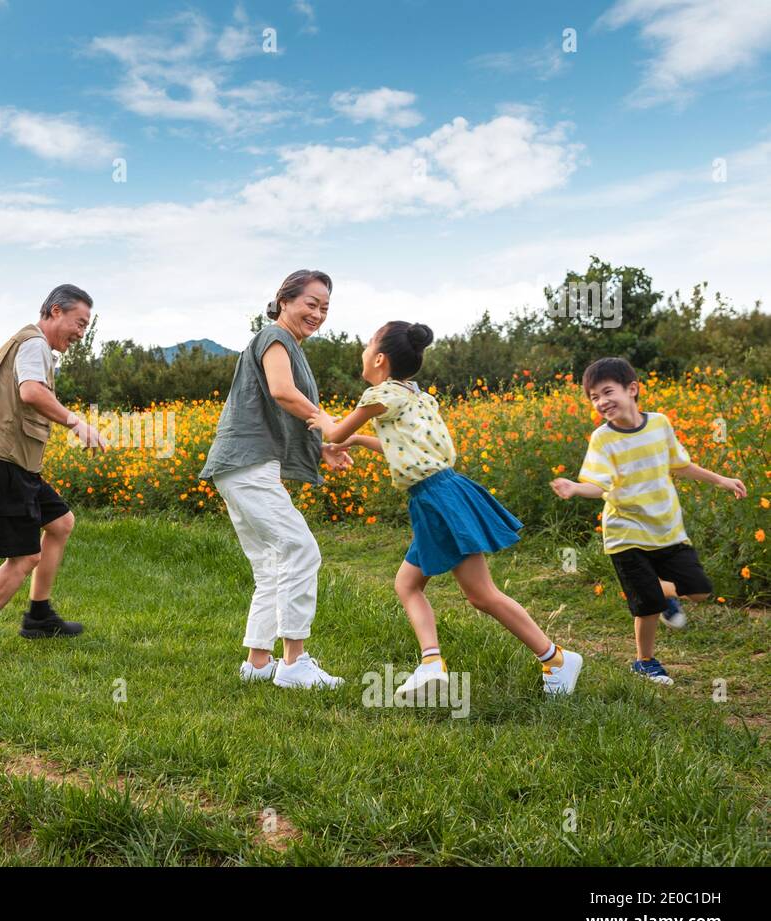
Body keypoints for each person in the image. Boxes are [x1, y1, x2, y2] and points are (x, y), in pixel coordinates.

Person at [309, 321, 583, 696]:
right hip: (442, 493)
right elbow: (404, 448)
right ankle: (431, 663)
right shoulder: (415, 395)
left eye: (367, 343)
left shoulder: (380, 394)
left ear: (379, 358)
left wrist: (319, 416)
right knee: (407, 584)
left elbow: (333, 433)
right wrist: (358, 439)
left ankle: (556, 659)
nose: (362, 350)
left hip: (437, 499)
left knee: (481, 594)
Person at [201, 270, 354, 689]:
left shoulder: (287, 344)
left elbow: (279, 409)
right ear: (284, 300)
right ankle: (294, 664)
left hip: (242, 465)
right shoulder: (275, 338)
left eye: (325, 307)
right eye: (311, 303)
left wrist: (321, 445)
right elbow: (283, 392)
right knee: (300, 549)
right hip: (247, 466)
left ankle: (257, 662)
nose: (318, 313)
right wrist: (328, 423)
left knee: (271, 563)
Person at [551, 356, 746, 685]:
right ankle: (645, 662)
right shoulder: (603, 438)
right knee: (646, 606)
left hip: (667, 528)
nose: (601, 402)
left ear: (632, 389)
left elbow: (679, 464)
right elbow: (598, 484)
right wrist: (574, 487)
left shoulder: (660, 424)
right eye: (594, 397)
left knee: (699, 590)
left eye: (607, 392)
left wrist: (721, 480)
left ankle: (664, 594)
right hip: (624, 532)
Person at [0, 283, 108, 660]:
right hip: (1, 463)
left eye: (86, 326)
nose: (81, 334)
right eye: (79, 323)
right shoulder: (33, 344)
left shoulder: (34, 345)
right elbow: (31, 391)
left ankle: (38, 615)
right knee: (23, 557)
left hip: (15, 464)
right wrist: (75, 422)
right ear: (55, 312)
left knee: (61, 522)